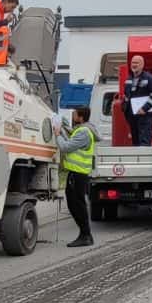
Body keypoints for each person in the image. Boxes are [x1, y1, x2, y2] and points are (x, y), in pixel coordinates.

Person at [56, 105, 97, 247]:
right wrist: (62, 124)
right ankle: (84, 234)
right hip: (76, 173)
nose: (72, 116)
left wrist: (56, 135)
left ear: (81, 117)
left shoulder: (84, 132)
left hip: (78, 174)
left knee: (77, 205)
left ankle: (86, 235)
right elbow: (69, 134)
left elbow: (66, 147)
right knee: (74, 204)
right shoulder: (81, 130)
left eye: (74, 114)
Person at [120, 53, 152, 147]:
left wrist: (144, 109)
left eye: (136, 63)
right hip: (132, 116)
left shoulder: (150, 78)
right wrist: (124, 107)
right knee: (135, 142)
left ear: (142, 65)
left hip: (144, 116)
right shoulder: (128, 79)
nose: (134, 65)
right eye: (132, 63)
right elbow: (127, 96)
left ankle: (144, 161)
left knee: (144, 142)